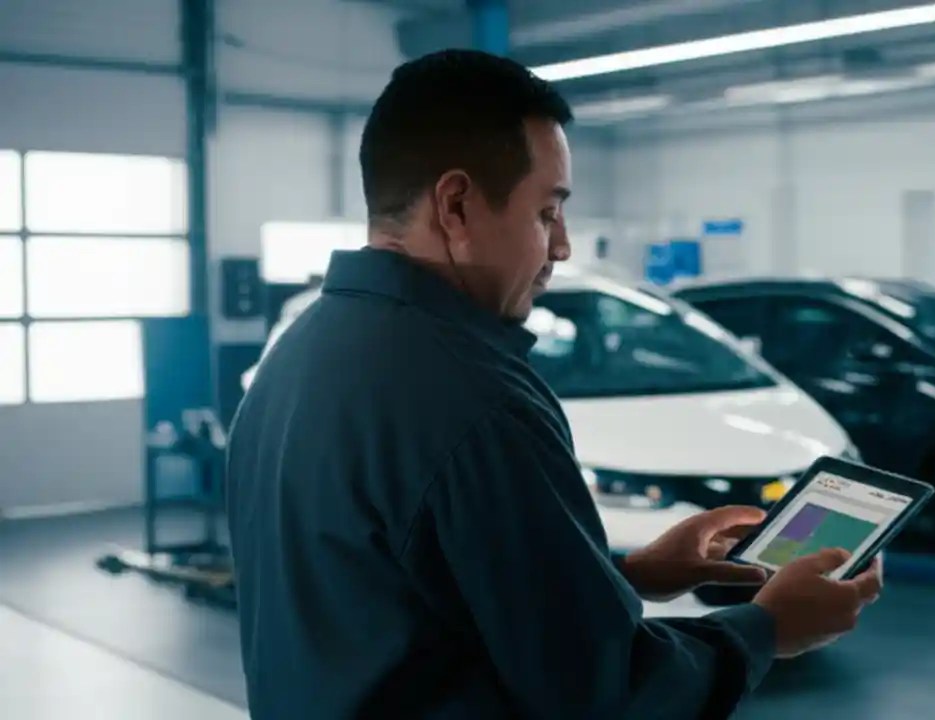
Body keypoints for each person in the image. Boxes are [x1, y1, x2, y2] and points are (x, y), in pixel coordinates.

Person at [226, 49, 883, 720]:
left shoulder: (297, 357)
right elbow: (606, 696)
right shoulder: (474, 396)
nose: (562, 246)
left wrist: (629, 576)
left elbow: (407, 612)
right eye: (548, 213)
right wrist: (768, 628)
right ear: (455, 205)